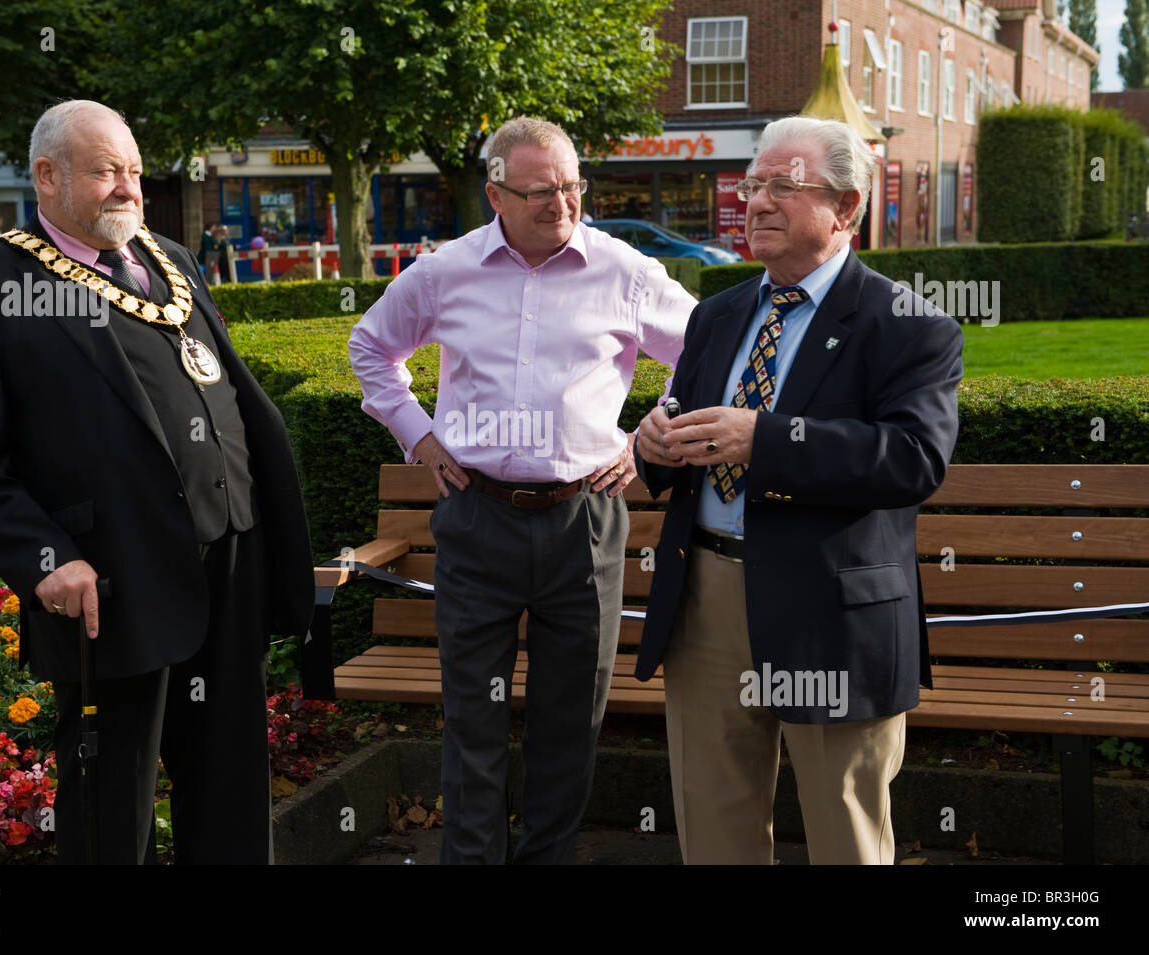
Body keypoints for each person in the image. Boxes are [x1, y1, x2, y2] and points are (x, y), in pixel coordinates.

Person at [0, 99, 315, 864]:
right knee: (113, 803)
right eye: (107, 171)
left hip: (229, 565)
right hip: (111, 583)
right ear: (48, 175)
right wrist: (48, 558)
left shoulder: (171, 256)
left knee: (233, 788)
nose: (127, 188)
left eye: (133, 170)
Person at [349, 116, 695, 864]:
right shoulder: (446, 271)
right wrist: (420, 435)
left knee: (570, 720)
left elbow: (708, 354)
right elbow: (370, 346)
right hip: (477, 516)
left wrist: (647, 438)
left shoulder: (623, 270)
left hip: (586, 522)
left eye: (572, 186)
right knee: (474, 715)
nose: (562, 204)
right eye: (541, 191)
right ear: (495, 193)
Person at [633, 115, 962, 865]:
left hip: (831, 610)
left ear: (846, 208)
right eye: (752, 185)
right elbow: (686, 420)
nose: (756, 202)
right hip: (706, 599)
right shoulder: (716, 316)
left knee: (845, 834)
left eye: (785, 185)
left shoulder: (909, 325)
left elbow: (913, 458)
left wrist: (768, 439)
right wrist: (653, 444)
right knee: (714, 829)